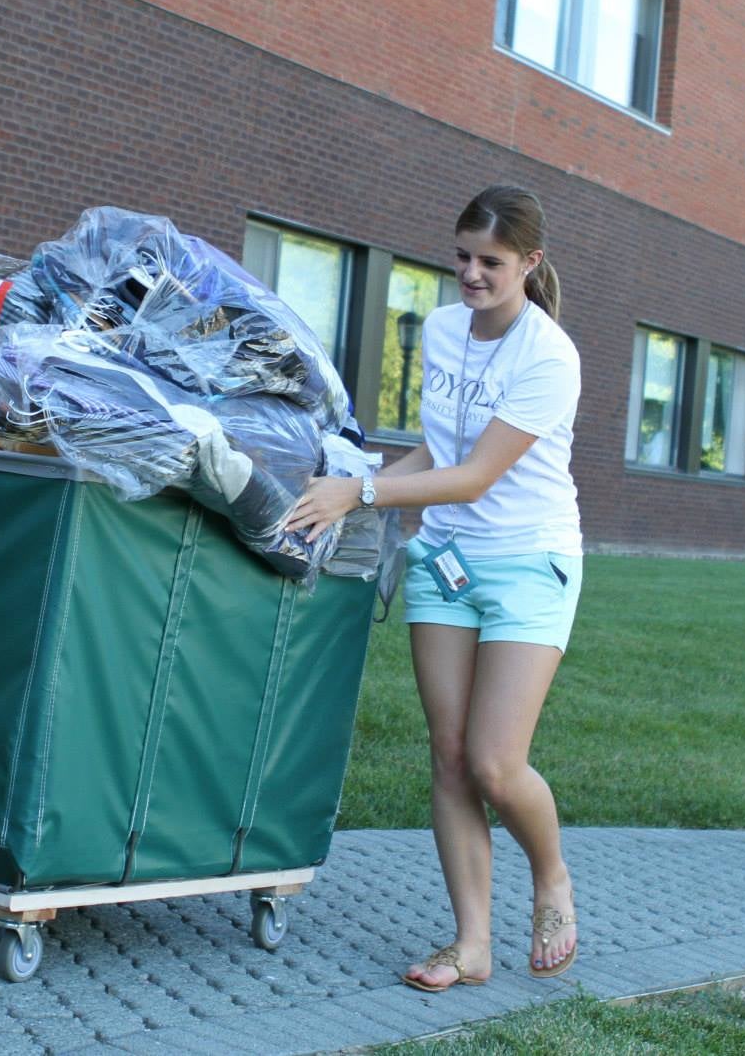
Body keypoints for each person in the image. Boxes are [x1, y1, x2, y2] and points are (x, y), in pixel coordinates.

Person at [287, 183, 582, 993]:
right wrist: (351, 480)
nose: (472, 275)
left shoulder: (549, 356)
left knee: (494, 760)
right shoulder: (447, 331)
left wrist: (366, 496)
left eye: (491, 262)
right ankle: (472, 942)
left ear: (531, 262)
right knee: (450, 758)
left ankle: (551, 874)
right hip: (447, 562)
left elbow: (479, 475)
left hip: (529, 561)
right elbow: (438, 449)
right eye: (462, 257)